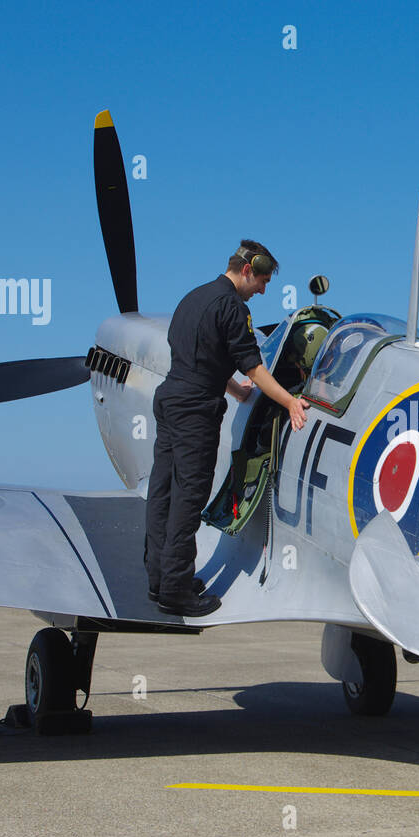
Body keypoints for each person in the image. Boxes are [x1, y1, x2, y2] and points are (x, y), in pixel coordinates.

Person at [144, 240, 309, 616]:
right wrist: (288, 401)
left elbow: (201, 358)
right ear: (248, 270)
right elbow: (254, 366)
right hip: (195, 412)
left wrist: (234, 390)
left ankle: (159, 581)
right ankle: (176, 590)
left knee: (163, 493)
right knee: (189, 496)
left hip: (170, 398)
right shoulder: (232, 307)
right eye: (263, 281)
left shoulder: (193, 298)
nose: (264, 290)